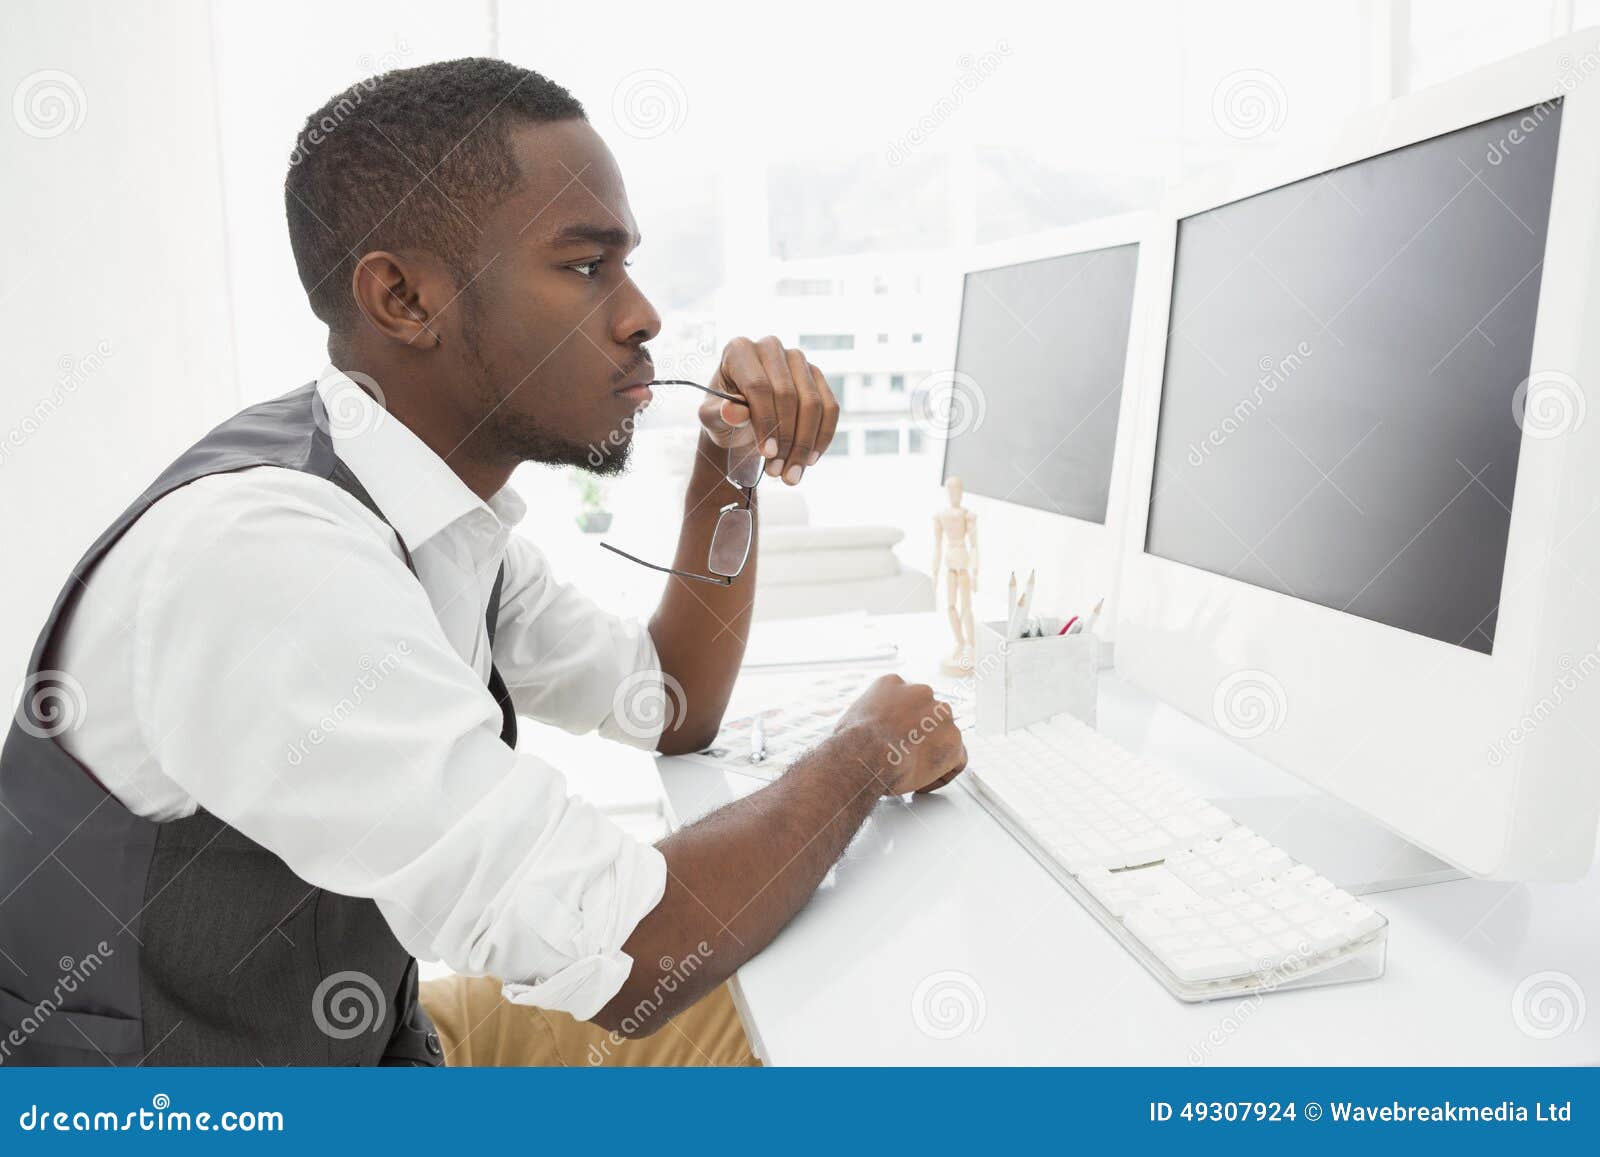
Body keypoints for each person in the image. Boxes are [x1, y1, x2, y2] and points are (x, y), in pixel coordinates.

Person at [0, 57, 967, 1067]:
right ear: (405, 296)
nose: (642, 316)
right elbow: (635, 957)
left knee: (802, 1012)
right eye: (586, 265)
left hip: (377, 1047)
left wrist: (727, 468)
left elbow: (667, 703)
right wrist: (865, 750)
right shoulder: (271, 558)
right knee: (828, 1049)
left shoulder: (429, 517)